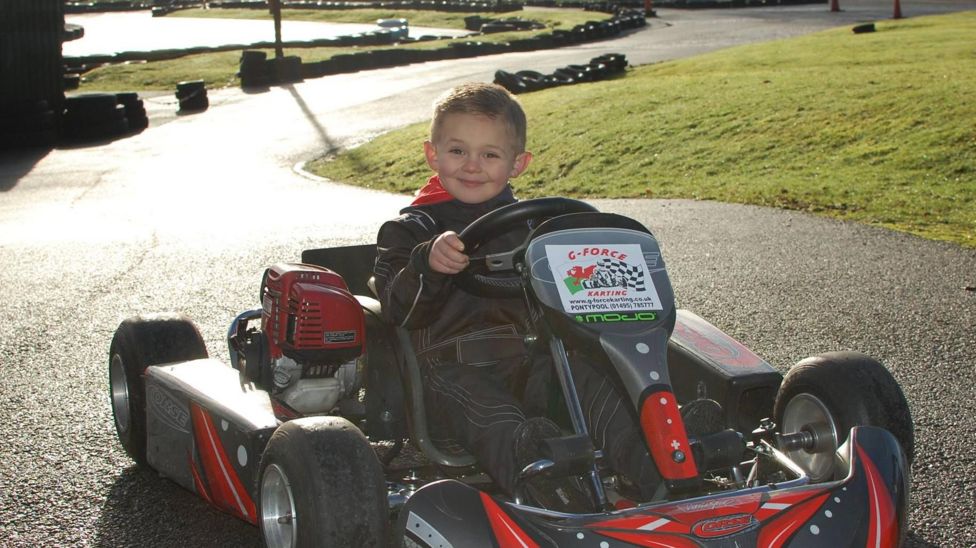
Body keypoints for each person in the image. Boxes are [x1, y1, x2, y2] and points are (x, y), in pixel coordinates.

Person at [373, 82, 662, 510]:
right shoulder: (411, 230)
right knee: (497, 418)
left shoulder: (538, 228)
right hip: (452, 372)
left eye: (490, 154)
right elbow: (399, 310)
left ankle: (660, 464)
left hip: (537, 361)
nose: (473, 166)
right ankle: (550, 491)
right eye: (458, 151)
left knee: (593, 385)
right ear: (432, 155)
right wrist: (426, 265)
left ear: (518, 163)